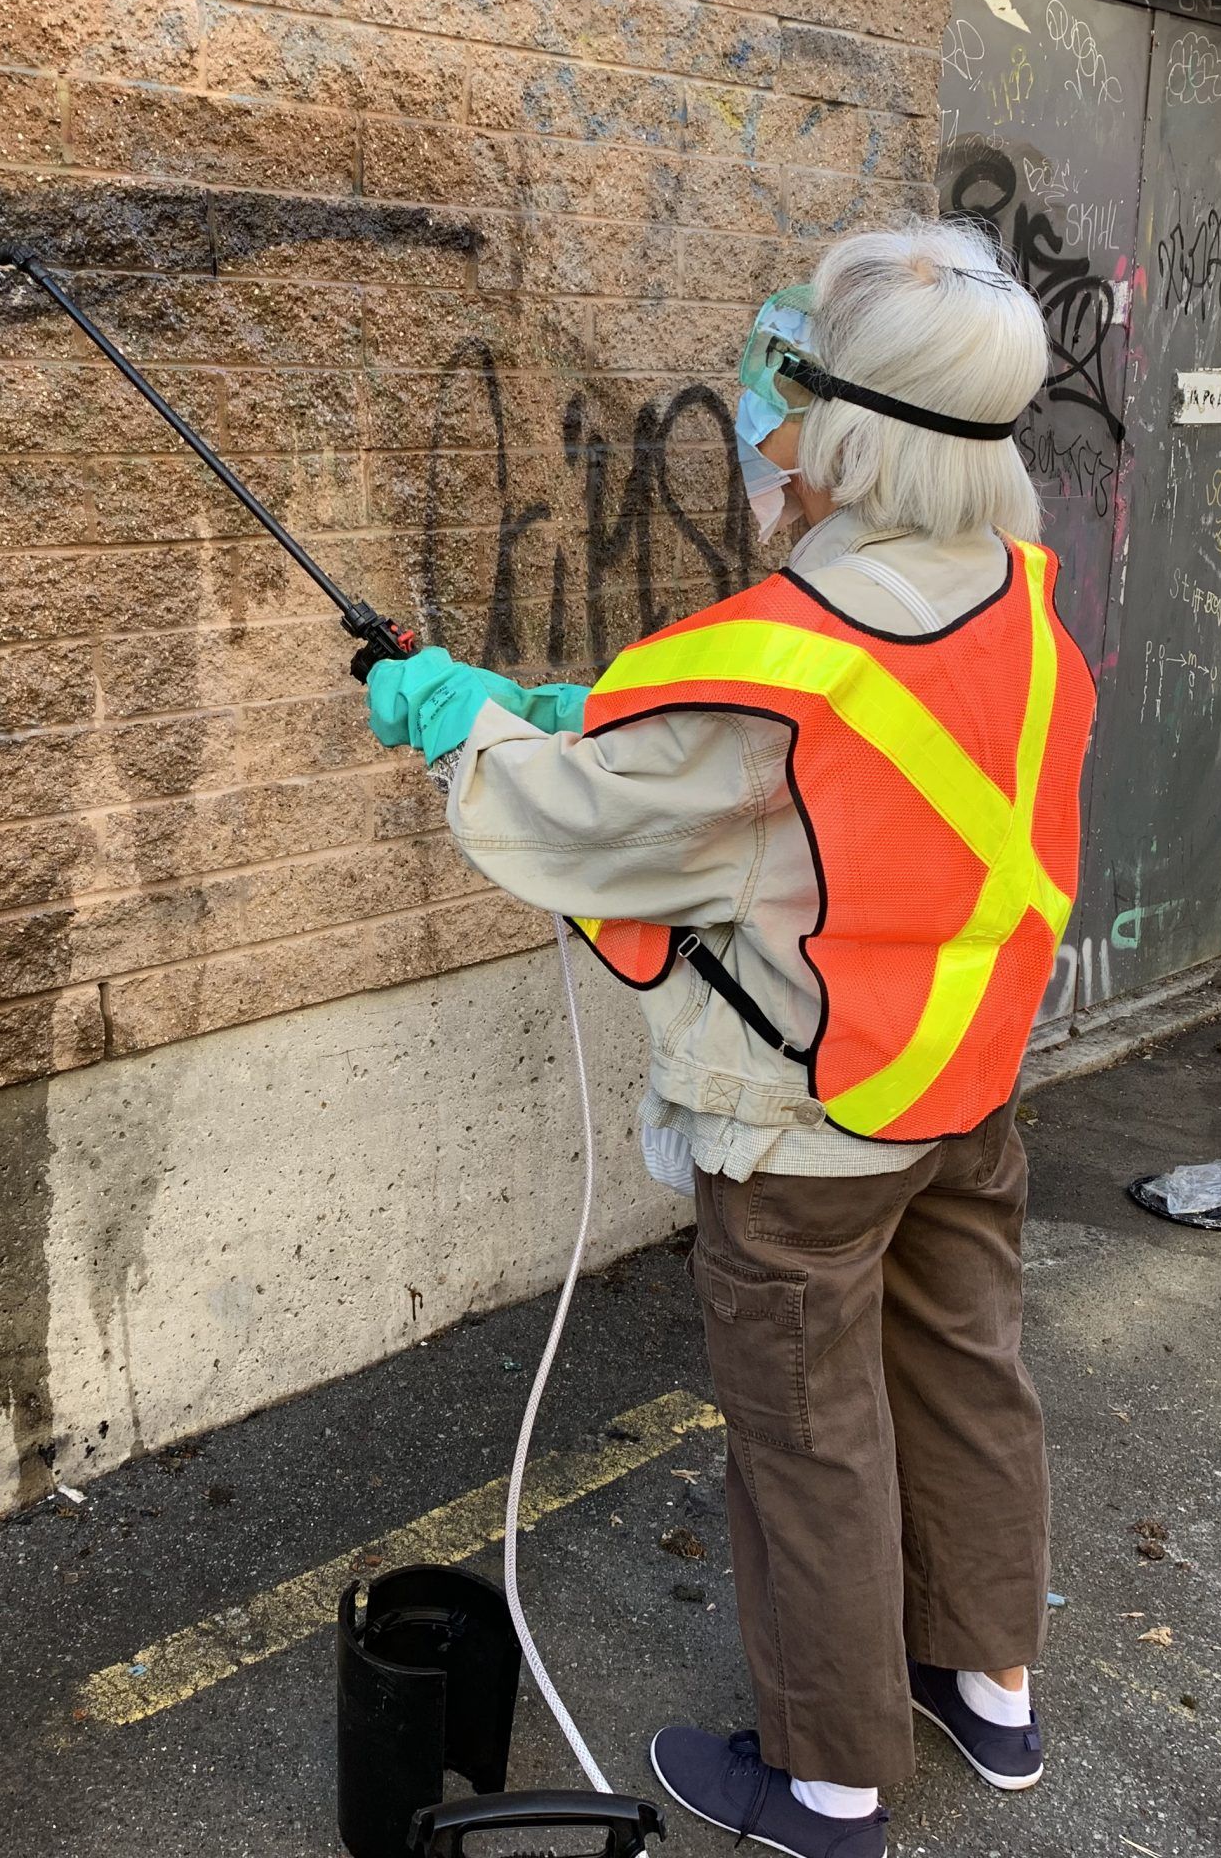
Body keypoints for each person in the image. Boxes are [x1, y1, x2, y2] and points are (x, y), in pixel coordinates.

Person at [365, 217, 1095, 1858]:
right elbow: (823, 795)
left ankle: (827, 1783)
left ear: (836, 437)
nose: (760, 441)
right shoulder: (1021, 612)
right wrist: (565, 707)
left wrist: (453, 724)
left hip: (805, 1133)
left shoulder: (788, 657)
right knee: (970, 1382)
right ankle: (990, 1688)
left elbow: (591, 822)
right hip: (964, 1095)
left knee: (814, 1442)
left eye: (779, 401)